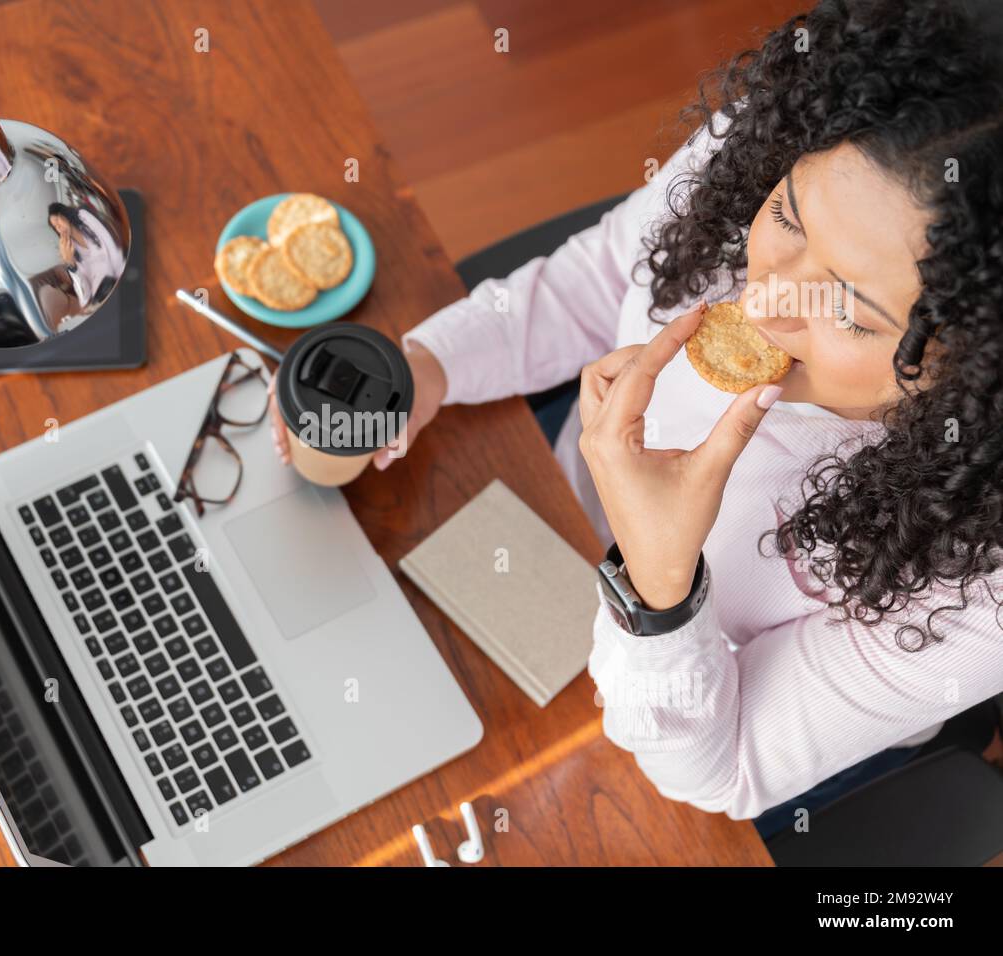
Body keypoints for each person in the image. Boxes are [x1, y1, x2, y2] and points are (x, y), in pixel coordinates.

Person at [271, 0, 1003, 836]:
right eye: (788, 219)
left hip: (685, 716)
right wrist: (432, 366)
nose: (764, 299)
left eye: (851, 310)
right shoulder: (791, 139)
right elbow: (602, 285)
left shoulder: (981, 585)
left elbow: (723, 766)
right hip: (547, 532)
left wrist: (659, 584)